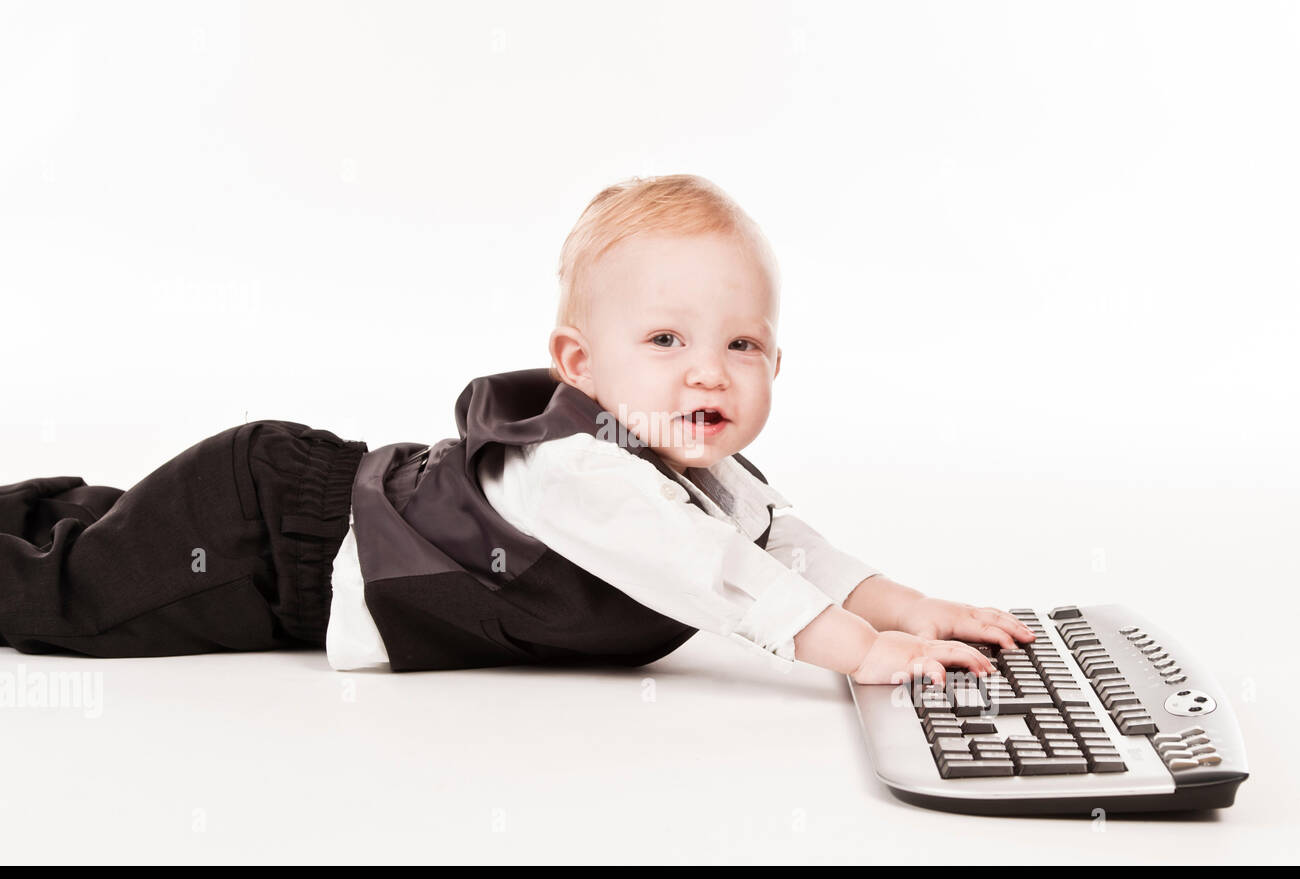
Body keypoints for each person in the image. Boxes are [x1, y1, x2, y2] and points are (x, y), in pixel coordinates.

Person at [0, 173, 1034, 684]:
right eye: (666, 339)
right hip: (274, 536)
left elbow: (785, 544)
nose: (709, 370)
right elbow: (719, 576)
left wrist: (914, 606)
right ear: (579, 364)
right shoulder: (581, 472)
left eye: (743, 346)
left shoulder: (698, 471)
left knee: (99, 528)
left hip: (297, 530)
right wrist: (855, 650)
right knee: (73, 598)